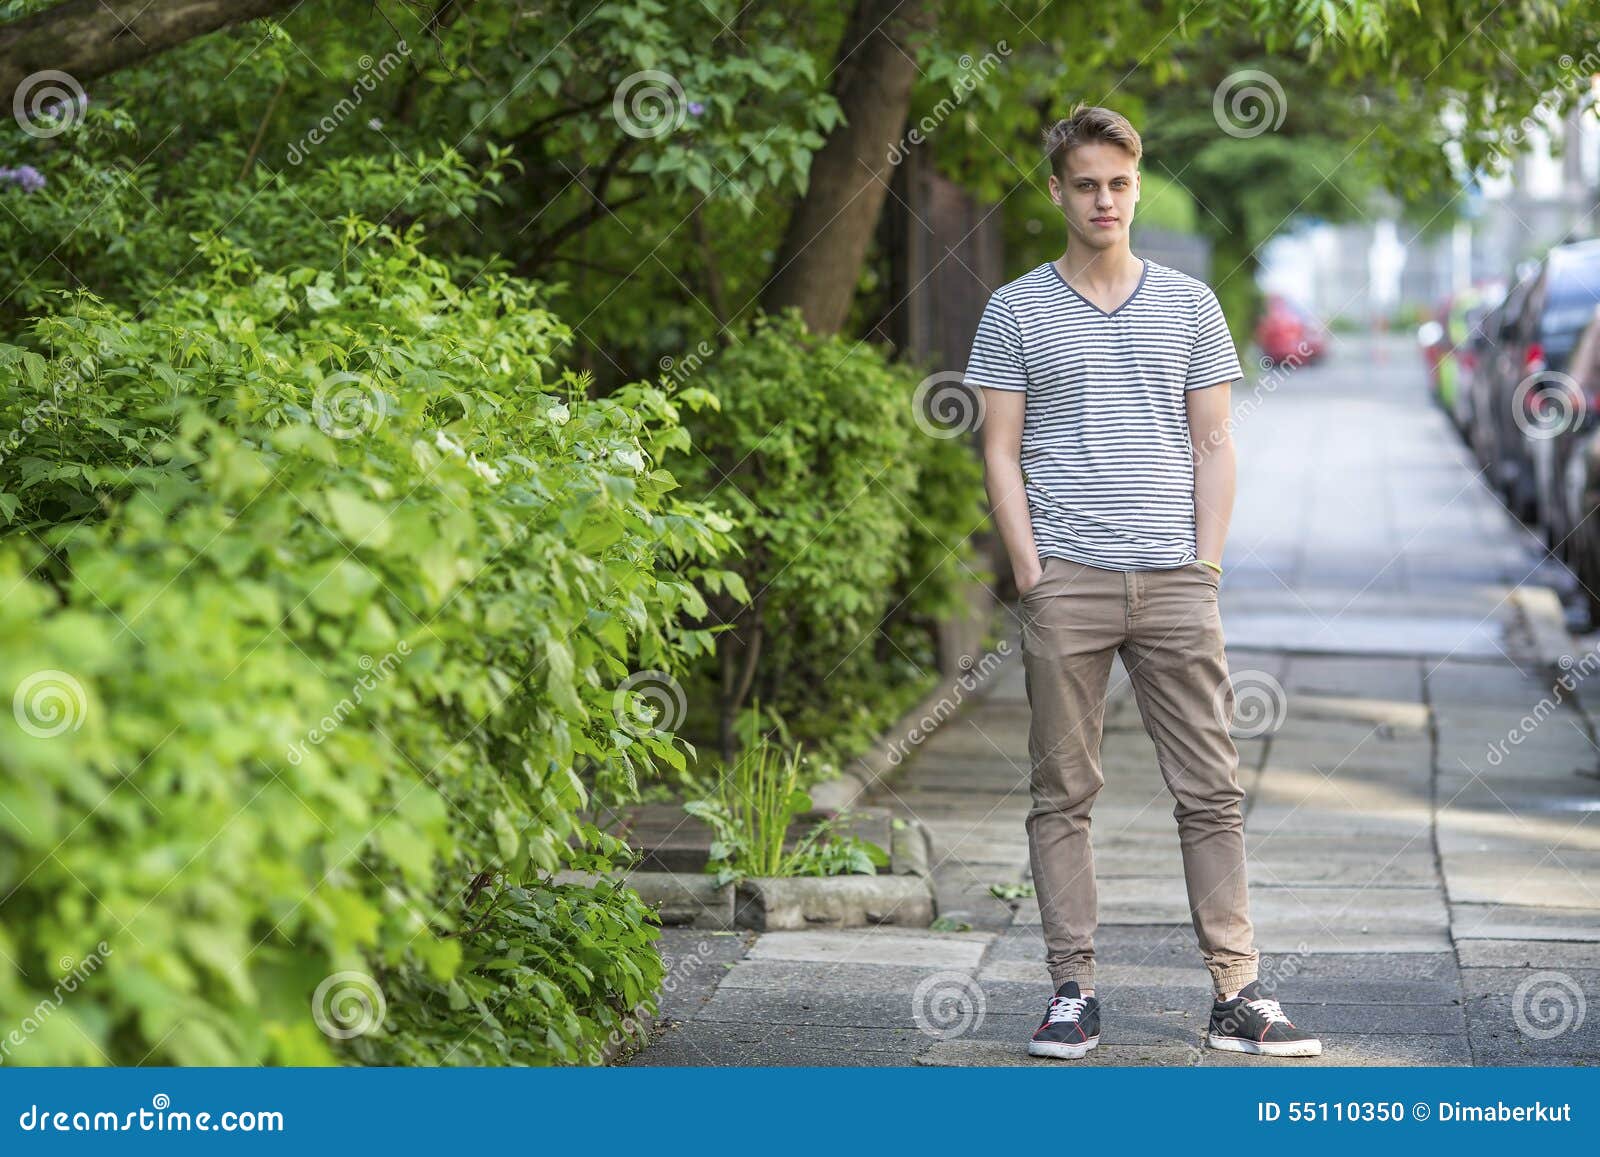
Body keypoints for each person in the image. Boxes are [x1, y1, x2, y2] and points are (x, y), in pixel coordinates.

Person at [965, 104, 1321, 1060]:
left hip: (1174, 581)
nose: (1104, 200)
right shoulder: (1016, 308)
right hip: (1068, 582)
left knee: (1211, 789)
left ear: (1136, 182)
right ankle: (1071, 990)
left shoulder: (1191, 304)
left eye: (1119, 183)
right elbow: (999, 450)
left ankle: (1237, 992)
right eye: (1085, 184)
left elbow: (1214, 440)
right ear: (1057, 191)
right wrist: (1031, 569)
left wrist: (1204, 566)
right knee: (1062, 792)